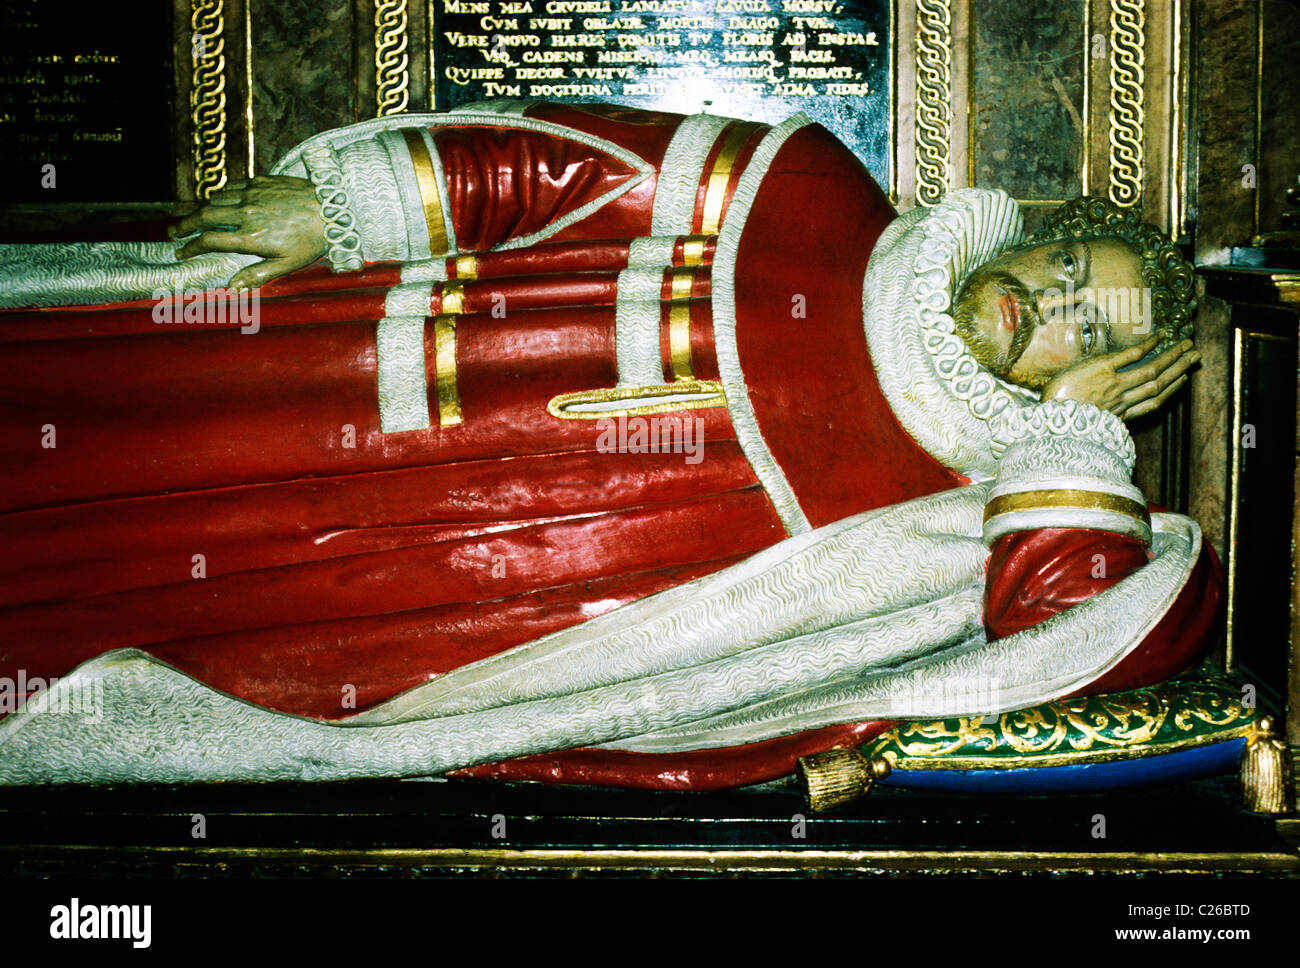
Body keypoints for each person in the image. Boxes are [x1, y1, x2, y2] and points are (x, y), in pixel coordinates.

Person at [0, 102, 1217, 788]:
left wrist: (1076, 438)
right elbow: (556, 169)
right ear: (1031, 238)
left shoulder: (940, 522)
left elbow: (1073, 640)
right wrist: (343, 208)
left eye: (1088, 334)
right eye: (1069, 270)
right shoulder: (805, 198)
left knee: (98, 634)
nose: (1054, 305)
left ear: (1097, 384)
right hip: (302, 373)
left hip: (402, 601)